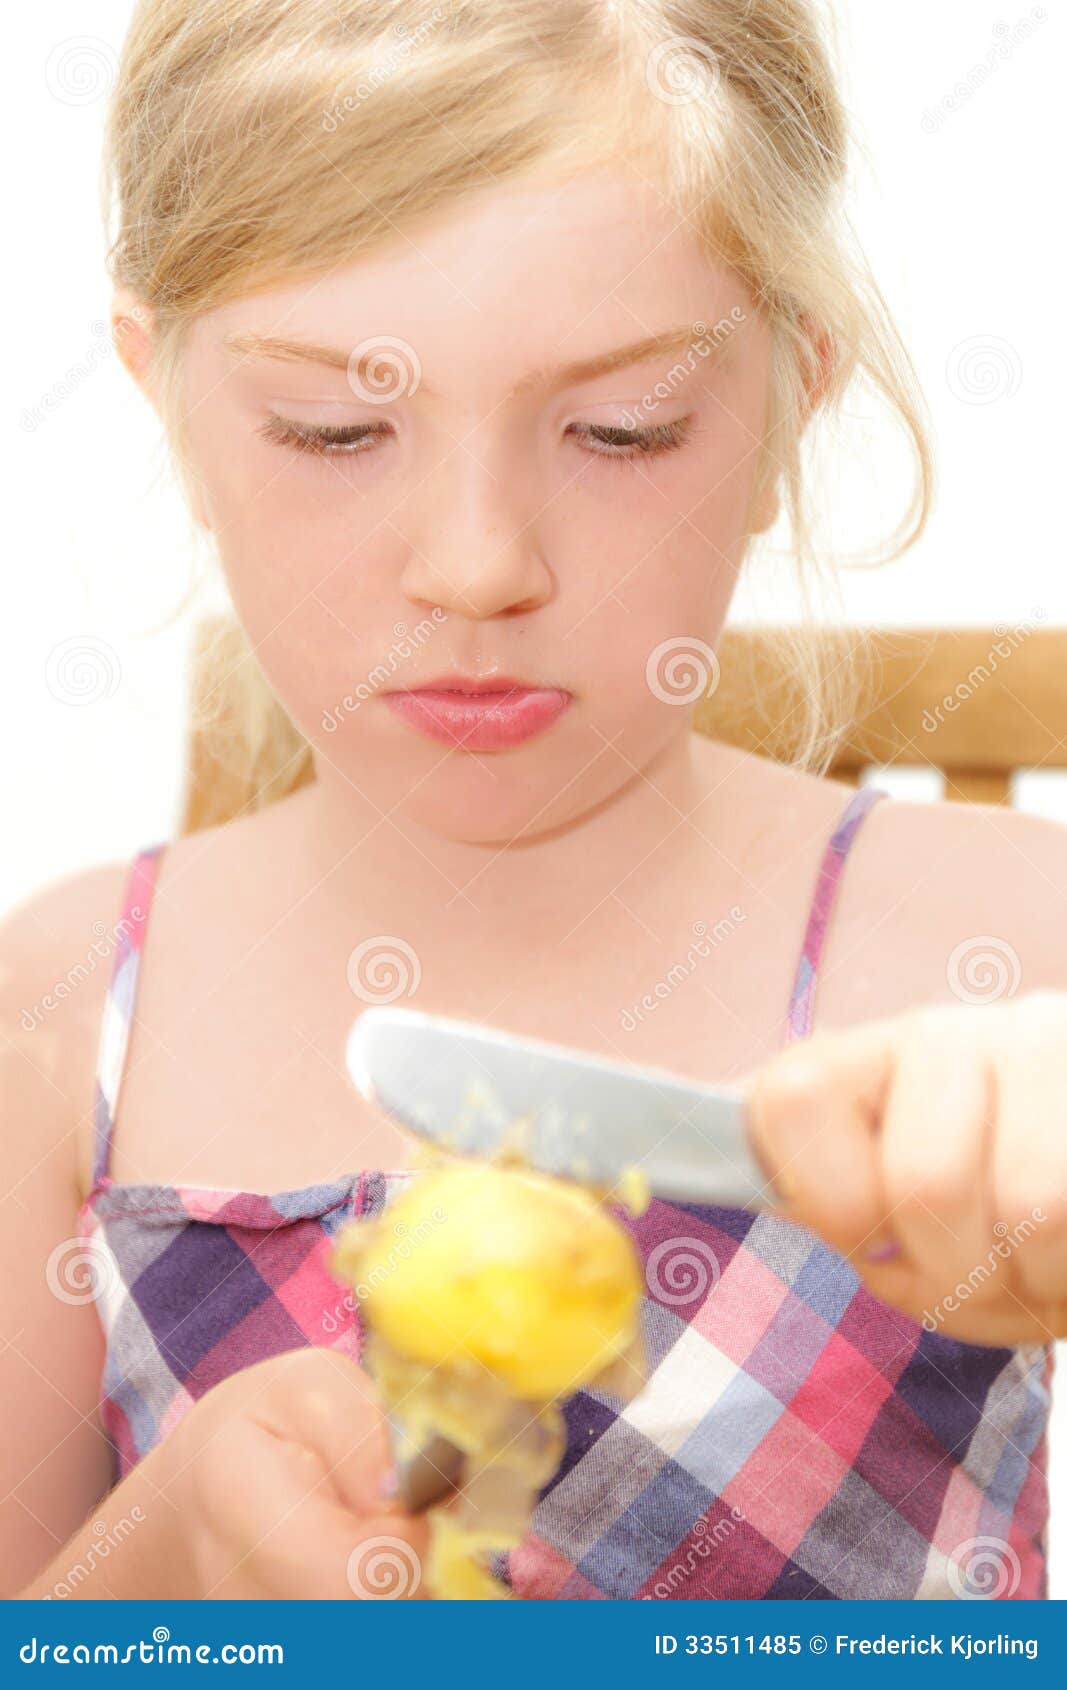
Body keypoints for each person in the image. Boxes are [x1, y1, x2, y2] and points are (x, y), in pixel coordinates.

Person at [3, 0, 1063, 1601]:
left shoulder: (1013, 943)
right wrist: (176, 1539)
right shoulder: (67, 1016)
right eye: (336, 429)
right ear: (165, 400)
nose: (480, 563)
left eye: (620, 430)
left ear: (791, 400)